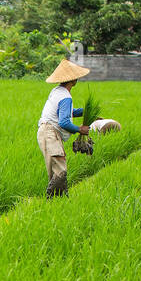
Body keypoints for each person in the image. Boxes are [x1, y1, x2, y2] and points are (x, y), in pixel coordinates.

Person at [37, 59, 91, 198]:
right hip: (50, 133)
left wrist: (87, 112)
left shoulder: (57, 91)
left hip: (46, 132)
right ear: (72, 80)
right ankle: (52, 199)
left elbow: (67, 112)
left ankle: (58, 202)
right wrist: (80, 129)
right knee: (61, 171)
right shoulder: (65, 97)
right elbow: (64, 122)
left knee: (56, 172)